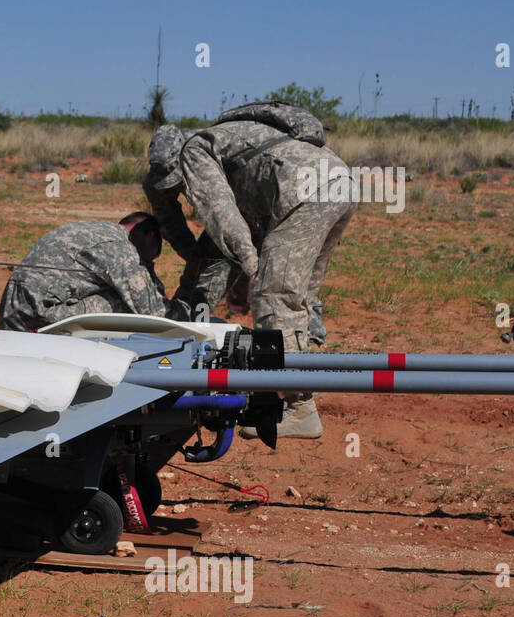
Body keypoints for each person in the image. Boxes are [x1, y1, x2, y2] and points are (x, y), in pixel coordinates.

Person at [143, 113, 356, 438]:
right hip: (334, 184)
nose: (178, 189)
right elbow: (175, 225)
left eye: (179, 182)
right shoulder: (208, 151)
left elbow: (221, 213)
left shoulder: (195, 150)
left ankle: (299, 408)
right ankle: (176, 357)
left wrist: (251, 267)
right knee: (294, 293)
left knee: (273, 295)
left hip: (303, 194)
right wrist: (201, 262)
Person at [0, 213, 190, 332]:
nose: (146, 265)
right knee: (124, 304)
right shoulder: (120, 247)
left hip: (13, 313)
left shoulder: (94, 230)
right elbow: (153, 311)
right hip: (39, 315)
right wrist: (187, 316)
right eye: (148, 259)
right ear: (150, 236)